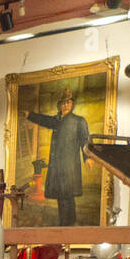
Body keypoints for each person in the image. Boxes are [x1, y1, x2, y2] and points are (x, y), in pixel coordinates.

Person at [27, 88, 92, 226]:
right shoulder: (56, 120)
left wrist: (87, 158)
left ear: (72, 104)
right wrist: (30, 115)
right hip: (57, 166)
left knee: (68, 196)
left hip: (69, 166)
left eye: (68, 102)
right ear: (60, 105)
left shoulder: (79, 121)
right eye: (63, 103)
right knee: (61, 197)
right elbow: (44, 120)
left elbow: (85, 141)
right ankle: (65, 225)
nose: (66, 105)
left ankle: (69, 224)